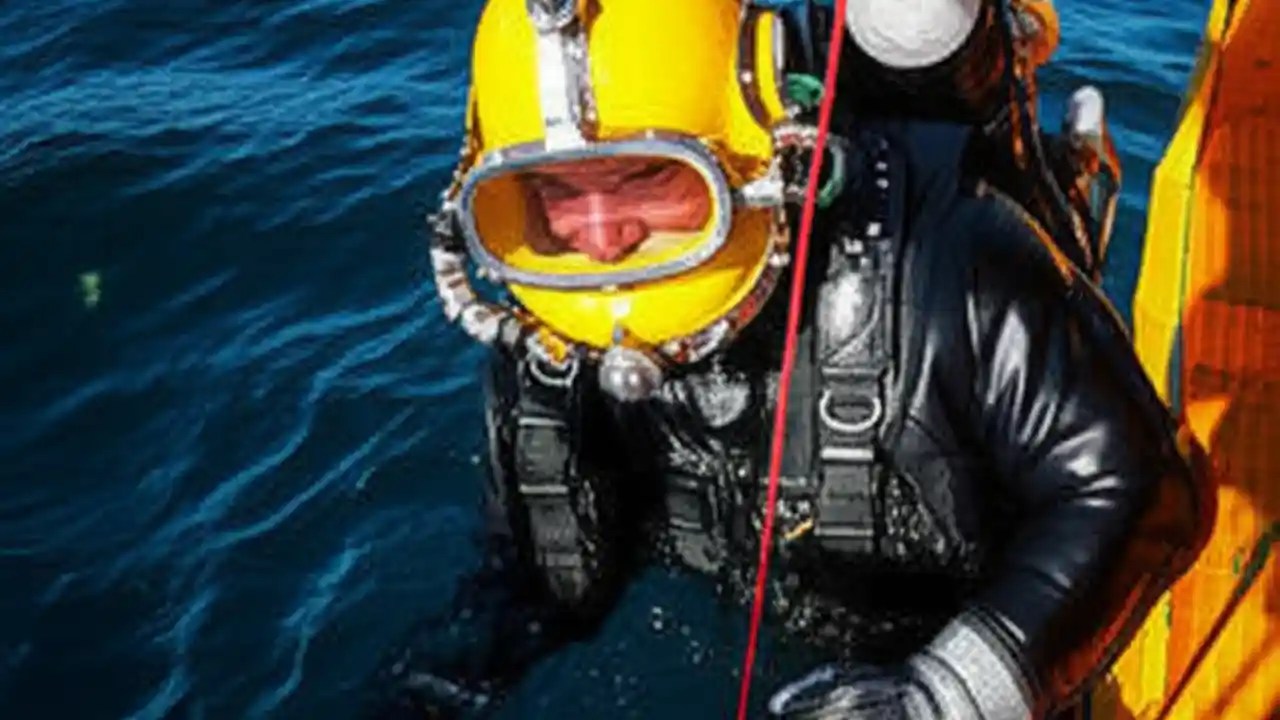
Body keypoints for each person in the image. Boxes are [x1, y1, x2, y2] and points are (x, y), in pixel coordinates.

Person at [382, 0, 1211, 717]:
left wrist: (949, 696)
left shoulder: (952, 262)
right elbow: (539, 573)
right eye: (557, 192)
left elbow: (1143, 488)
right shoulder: (555, 329)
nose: (602, 242)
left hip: (975, 630)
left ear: (742, 158)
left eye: (646, 176)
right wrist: (437, 688)